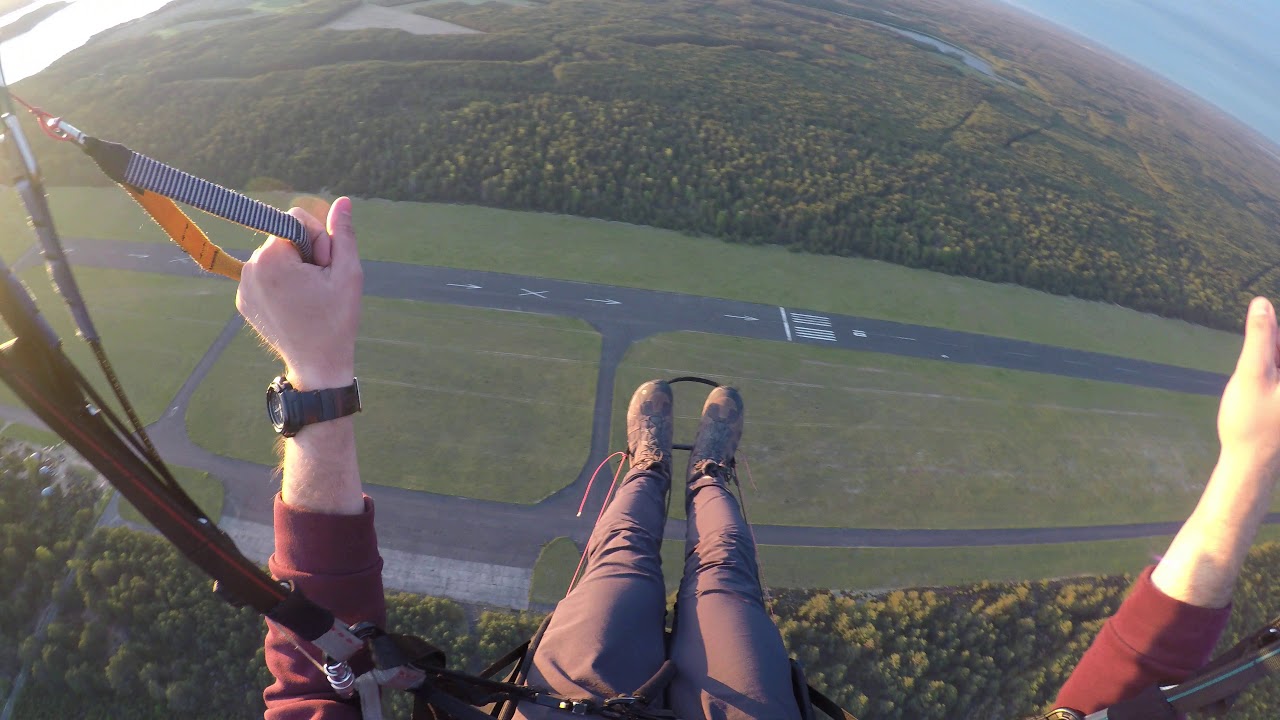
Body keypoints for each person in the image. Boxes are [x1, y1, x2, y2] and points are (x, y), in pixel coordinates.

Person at [238, 198, 1277, 720]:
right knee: (725, 579)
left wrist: (319, 380)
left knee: (616, 569)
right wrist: (1240, 475)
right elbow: (1109, 708)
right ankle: (708, 478)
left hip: (572, 700)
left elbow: (321, 670)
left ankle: (651, 468)